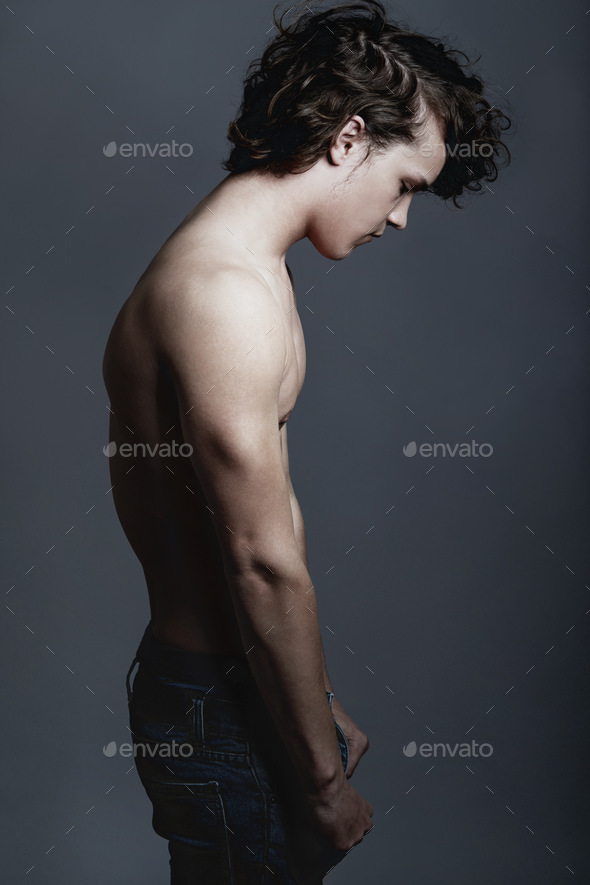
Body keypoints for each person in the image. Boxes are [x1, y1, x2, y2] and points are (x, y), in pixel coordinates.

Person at [102, 1, 512, 881]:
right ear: (349, 138)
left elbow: (246, 538)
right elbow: (261, 559)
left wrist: (316, 700)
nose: (401, 219)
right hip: (218, 705)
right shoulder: (225, 298)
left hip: (233, 689)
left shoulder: (250, 272)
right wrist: (323, 782)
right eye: (404, 185)